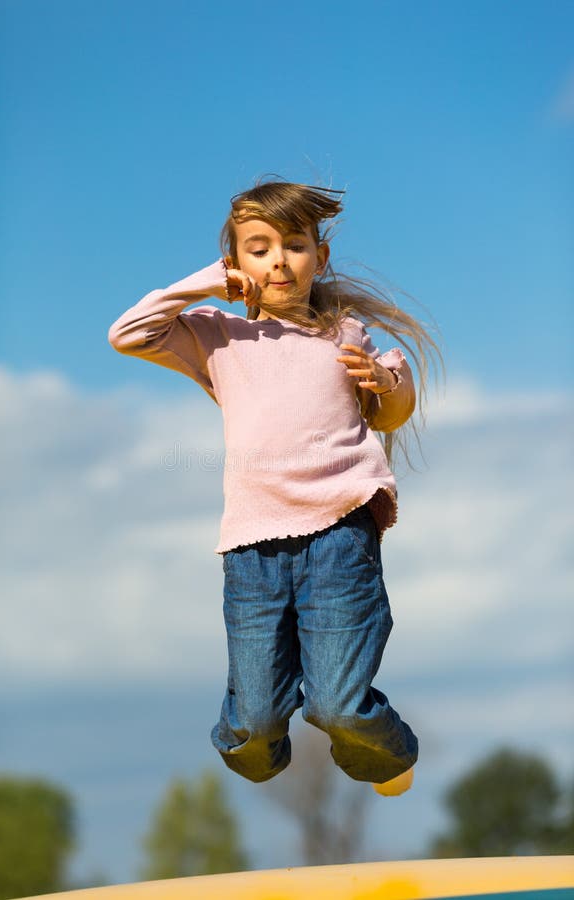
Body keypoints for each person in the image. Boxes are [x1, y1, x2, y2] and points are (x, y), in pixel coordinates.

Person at [108, 179, 441, 796]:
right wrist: (204, 282)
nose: (279, 260)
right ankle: (257, 754)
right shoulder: (216, 336)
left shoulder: (344, 334)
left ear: (320, 257)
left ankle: (385, 754)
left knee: (339, 705)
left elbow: (392, 411)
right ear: (236, 263)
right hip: (253, 547)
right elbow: (127, 333)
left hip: (340, 533)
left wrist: (384, 384)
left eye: (294, 244)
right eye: (259, 248)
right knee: (255, 725)